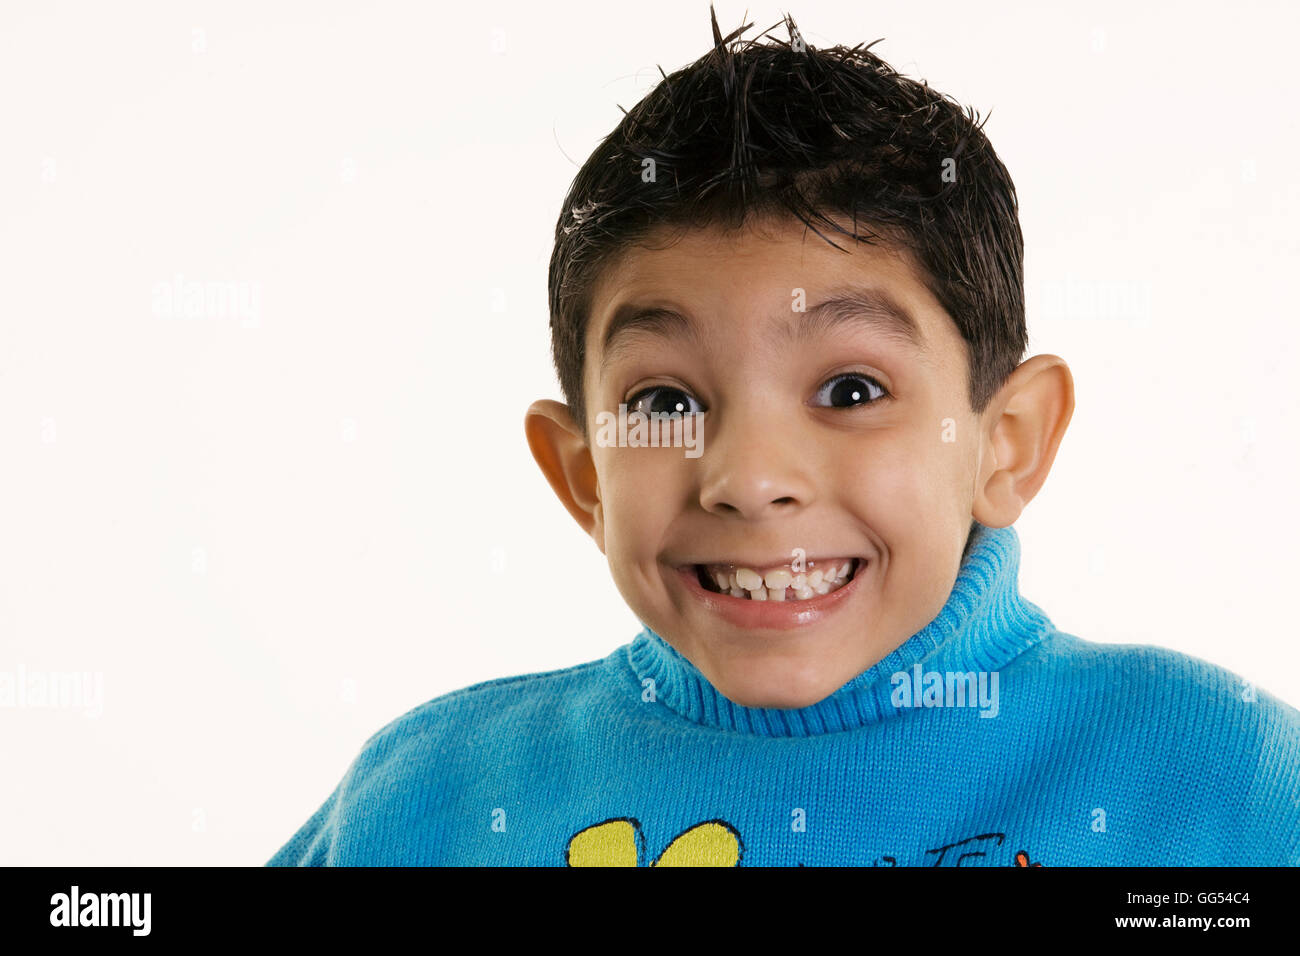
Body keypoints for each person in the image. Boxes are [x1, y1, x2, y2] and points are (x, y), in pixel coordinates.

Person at [267, 8, 1300, 866]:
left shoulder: (1220, 780)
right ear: (579, 473)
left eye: (850, 388)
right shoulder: (427, 802)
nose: (750, 478)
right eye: (666, 404)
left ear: (1009, 441)